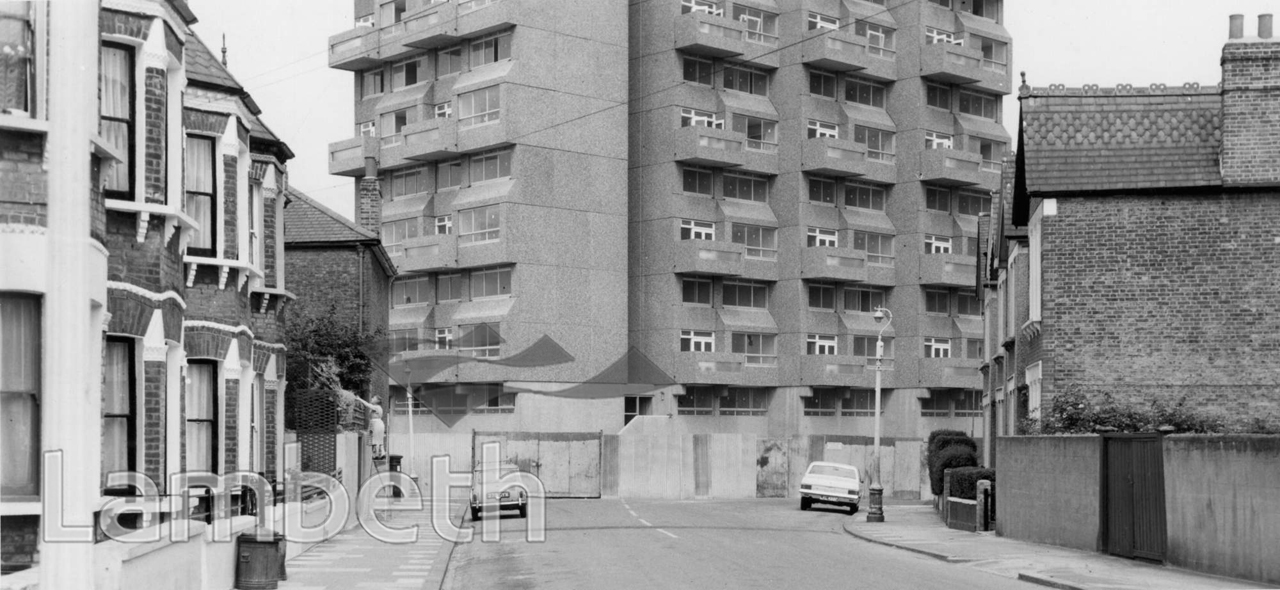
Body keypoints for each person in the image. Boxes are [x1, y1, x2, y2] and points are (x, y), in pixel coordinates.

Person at [359, 395, 386, 460]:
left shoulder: (377, 407)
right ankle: (381, 454)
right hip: (377, 423)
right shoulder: (378, 407)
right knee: (378, 440)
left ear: (377, 401)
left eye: (373, 398)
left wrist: (360, 399)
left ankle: (376, 455)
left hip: (376, 424)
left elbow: (368, 405)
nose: (372, 398)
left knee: (375, 440)